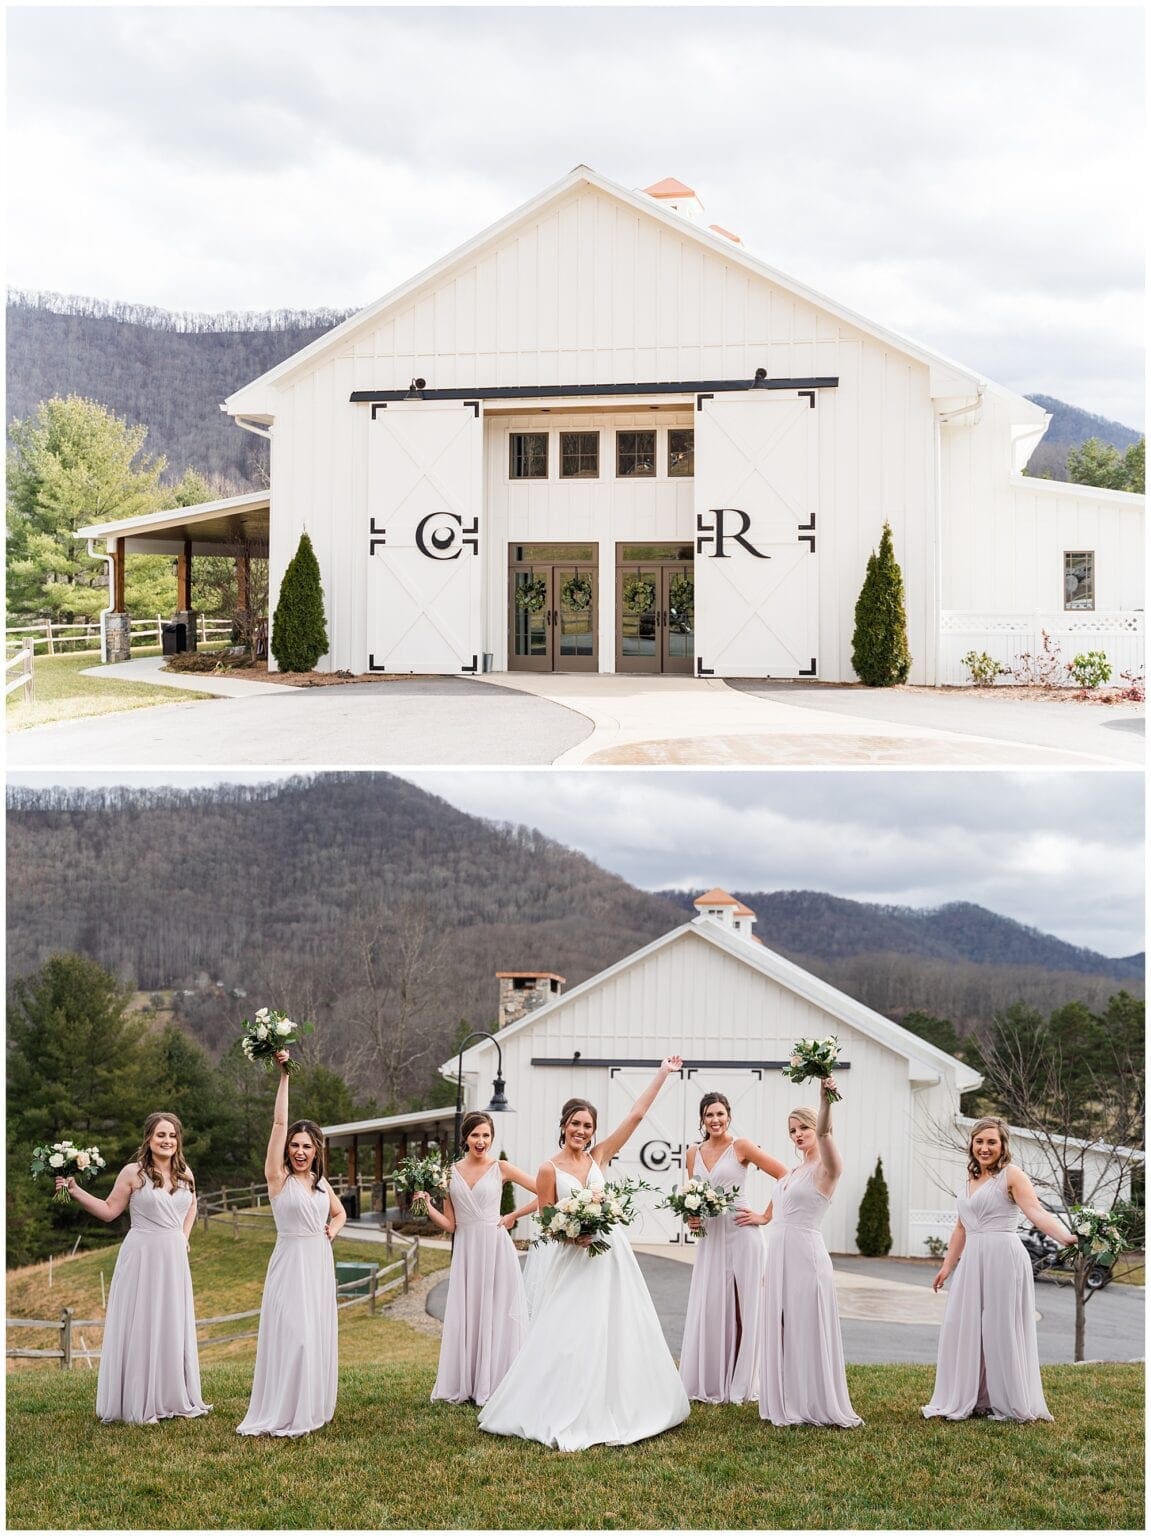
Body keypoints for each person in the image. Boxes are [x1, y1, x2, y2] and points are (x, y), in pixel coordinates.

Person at [478, 1056, 691, 1450]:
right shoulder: (547, 1169)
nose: (581, 1130)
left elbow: (637, 1115)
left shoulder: (600, 1158)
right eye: (575, 1123)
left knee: (619, 1327)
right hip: (572, 1260)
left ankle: (623, 1402)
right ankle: (561, 1405)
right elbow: (545, 1220)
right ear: (563, 1126)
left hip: (611, 1258)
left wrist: (663, 1073)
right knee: (569, 1336)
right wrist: (570, 1235)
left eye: (588, 1125)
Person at [56, 1111, 211, 1425]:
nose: (166, 1141)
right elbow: (109, 1211)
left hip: (173, 1257)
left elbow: (192, 1205)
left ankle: (170, 1396)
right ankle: (139, 1399)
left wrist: (184, 1236)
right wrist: (75, 1190)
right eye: (160, 1135)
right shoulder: (133, 1172)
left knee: (171, 1322)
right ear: (149, 1139)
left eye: (172, 1136)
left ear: (178, 1140)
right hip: (141, 1255)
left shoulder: (185, 1173)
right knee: (142, 1322)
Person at [922, 1117, 1075, 1422]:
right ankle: (974, 1396)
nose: (984, 1147)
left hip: (1003, 1256)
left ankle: (1008, 1400)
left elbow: (1035, 1212)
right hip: (972, 1261)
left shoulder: (1012, 1175)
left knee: (999, 1325)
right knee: (963, 1326)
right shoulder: (967, 1180)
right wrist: (947, 1267)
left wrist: (1065, 1237)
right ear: (972, 1144)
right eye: (979, 1141)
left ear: (1003, 1145)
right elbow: (960, 1228)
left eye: (991, 1142)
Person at [738, 1078, 862, 1428]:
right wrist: (763, 1217)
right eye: (792, 1130)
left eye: (803, 1127)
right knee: (781, 1326)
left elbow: (825, 1136)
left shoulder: (827, 1169)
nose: (797, 1134)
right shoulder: (792, 1173)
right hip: (778, 1255)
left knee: (805, 1324)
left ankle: (812, 1400)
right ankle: (787, 1397)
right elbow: (780, 1203)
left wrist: (825, 1102)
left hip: (806, 1254)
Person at [237, 1050, 344, 1436]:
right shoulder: (277, 1177)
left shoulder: (320, 1183)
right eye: (295, 1145)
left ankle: (311, 1404)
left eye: (307, 1146)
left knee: (314, 1332)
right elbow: (280, 1122)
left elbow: (340, 1213)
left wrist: (333, 1230)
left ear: (316, 1151)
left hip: (317, 1261)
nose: (299, 1151)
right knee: (294, 1334)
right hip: (290, 1260)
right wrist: (285, 1076)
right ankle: (285, 1408)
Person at [414, 1111, 538, 1405]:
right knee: (469, 1312)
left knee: (496, 1312)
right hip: (467, 1250)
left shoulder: (502, 1167)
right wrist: (428, 1206)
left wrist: (513, 1216)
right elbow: (451, 1224)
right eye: (475, 1135)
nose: (481, 1141)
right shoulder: (449, 1173)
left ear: (491, 1138)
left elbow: (544, 1191)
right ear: (465, 1139)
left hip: (496, 1248)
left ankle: (497, 1382)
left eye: (486, 1136)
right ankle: (466, 1383)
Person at [678, 1092, 788, 1403]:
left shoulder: (741, 1146)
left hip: (742, 1233)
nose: (715, 1120)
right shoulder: (692, 1153)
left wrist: (765, 1215)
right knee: (712, 1305)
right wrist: (692, 1220)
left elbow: (785, 1175)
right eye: (709, 1115)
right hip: (711, 1239)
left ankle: (741, 1381)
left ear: (729, 1116)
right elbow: (692, 1197)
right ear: (702, 1119)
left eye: (720, 1114)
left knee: (744, 1307)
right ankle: (715, 1377)